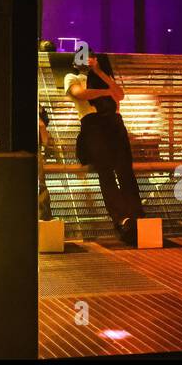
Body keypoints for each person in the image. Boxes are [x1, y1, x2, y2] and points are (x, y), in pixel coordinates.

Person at [65, 54, 143, 244]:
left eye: (91, 57)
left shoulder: (104, 76)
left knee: (125, 171)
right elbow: (80, 94)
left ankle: (136, 216)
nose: (88, 61)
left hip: (115, 124)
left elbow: (120, 95)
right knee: (106, 172)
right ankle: (121, 218)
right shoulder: (72, 77)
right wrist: (107, 92)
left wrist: (100, 72)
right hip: (93, 125)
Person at [37, 104, 64, 221]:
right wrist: (46, 146)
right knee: (40, 186)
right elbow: (41, 125)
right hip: (35, 150)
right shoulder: (37, 105)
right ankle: (44, 218)